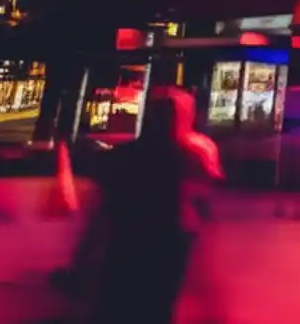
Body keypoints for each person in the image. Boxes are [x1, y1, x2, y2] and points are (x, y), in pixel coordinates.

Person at [85, 86, 223, 323]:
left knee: (120, 302)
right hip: (167, 241)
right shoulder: (194, 151)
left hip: (129, 241)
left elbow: (103, 207)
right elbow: (203, 194)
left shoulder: (126, 155)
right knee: (155, 304)